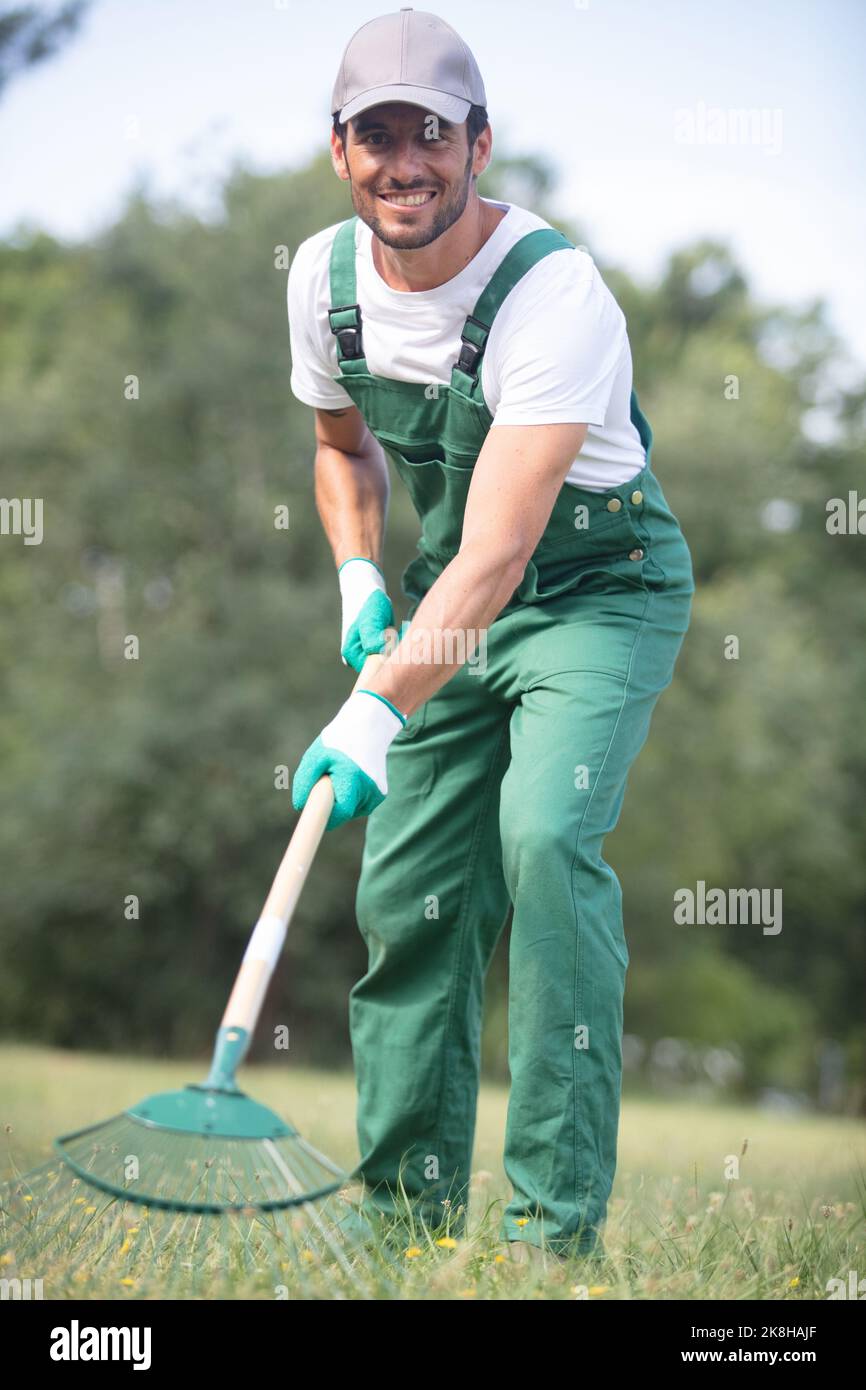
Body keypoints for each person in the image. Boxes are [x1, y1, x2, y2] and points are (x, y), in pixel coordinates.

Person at [288, 7, 694, 1261]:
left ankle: (545, 1238)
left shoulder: (549, 291)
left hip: (589, 591)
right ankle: (404, 1230)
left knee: (543, 833)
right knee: (407, 890)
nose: (404, 160)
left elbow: (503, 553)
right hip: (443, 604)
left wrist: (371, 707)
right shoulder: (321, 280)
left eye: (431, 132)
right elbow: (341, 449)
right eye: (376, 135)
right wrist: (360, 577)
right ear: (339, 149)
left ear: (478, 141)